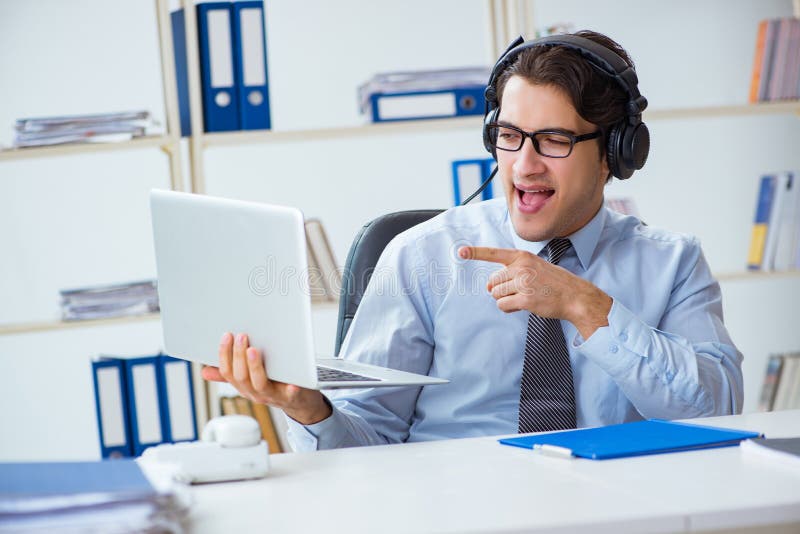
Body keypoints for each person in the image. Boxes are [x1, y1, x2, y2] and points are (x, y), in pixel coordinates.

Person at [202, 30, 743, 451]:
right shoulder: (421, 255)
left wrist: (587, 308)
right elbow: (366, 446)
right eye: (509, 136)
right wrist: (310, 412)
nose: (524, 165)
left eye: (553, 140)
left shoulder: (673, 262)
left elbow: (716, 411)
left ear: (616, 154)